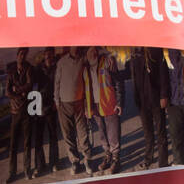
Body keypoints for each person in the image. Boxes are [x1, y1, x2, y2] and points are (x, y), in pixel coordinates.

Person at [83, 46, 122, 174]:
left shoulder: (107, 61)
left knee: (113, 134)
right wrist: (86, 108)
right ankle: (108, 156)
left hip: (110, 104)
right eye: (89, 50)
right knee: (102, 134)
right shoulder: (86, 69)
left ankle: (116, 160)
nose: (92, 52)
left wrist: (119, 102)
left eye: (94, 49)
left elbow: (118, 82)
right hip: (95, 106)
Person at [53, 46, 92, 175]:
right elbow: (57, 82)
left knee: (83, 132)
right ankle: (75, 162)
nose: (75, 47)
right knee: (68, 135)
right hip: (64, 104)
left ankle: (87, 159)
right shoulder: (62, 62)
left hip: (79, 103)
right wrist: (57, 101)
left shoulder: (83, 60)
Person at [130, 47, 165, 170]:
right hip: (142, 101)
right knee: (148, 133)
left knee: (161, 132)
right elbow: (132, 77)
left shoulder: (155, 50)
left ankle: (163, 162)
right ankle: (148, 158)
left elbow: (162, 72)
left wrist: (163, 95)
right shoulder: (134, 55)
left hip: (156, 99)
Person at [5, 47, 35, 183]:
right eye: (20, 54)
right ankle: (12, 173)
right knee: (13, 144)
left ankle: (27, 170)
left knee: (27, 143)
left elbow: (30, 84)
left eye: (24, 54)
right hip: (15, 111)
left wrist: (17, 89)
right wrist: (18, 95)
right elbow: (7, 92)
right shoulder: (11, 71)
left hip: (26, 111)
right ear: (17, 55)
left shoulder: (29, 68)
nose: (22, 57)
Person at [158, 47, 184, 166]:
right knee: (176, 135)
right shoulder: (164, 52)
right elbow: (162, 76)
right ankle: (179, 163)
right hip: (174, 101)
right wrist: (163, 95)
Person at [34, 47, 61, 175]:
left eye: (51, 56)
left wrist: (57, 101)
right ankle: (40, 166)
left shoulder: (57, 68)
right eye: (47, 56)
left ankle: (54, 162)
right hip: (39, 106)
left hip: (52, 105)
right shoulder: (38, 69)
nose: (49, 58)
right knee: (38, 138)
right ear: (44, 57)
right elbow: (32, 86)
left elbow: (60, 84)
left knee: (53, 136)